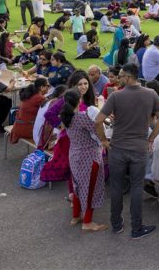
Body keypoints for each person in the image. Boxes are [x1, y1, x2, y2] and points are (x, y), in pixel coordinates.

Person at [95, 63, 159, 239]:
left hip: (117, 148)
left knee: (117, 186)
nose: (118, 79)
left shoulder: (116, 96)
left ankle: (116, 224)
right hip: (139, 148)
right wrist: (151, 138)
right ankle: (137, 227)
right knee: (136, 187)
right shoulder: (151, 94)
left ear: (128, 77)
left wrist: (103, 140)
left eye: (120, 76)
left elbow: (98, 120)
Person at [60, 89, 107, 232]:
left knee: (77, 186)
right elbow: (98, 127)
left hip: (74, 155)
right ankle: (87, 222)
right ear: (79, 100)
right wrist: (99, 107)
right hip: (89, 156)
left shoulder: (66, 117)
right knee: (90, 188)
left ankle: (76, 216)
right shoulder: (81, 117)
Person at [8, 77, 49, 143]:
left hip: (17, 128)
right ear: (42, 87)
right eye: (48, 86)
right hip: (27, 130)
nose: (49, 87)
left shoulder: (29, 95)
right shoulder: (40, 98)